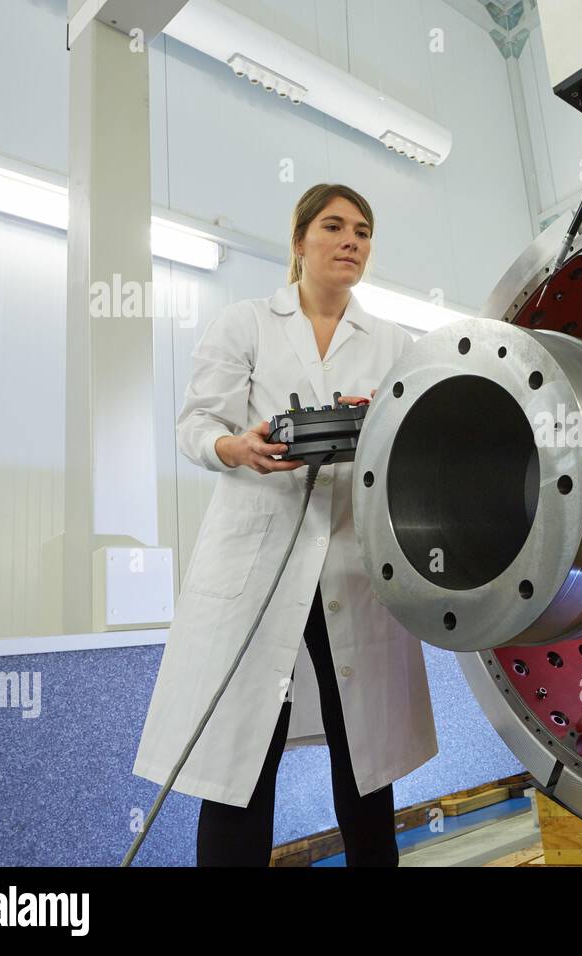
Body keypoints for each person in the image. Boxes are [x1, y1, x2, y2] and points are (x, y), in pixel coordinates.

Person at [132, 183, 438, 866]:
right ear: (299, 240)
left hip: (356, 565)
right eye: (333, 226)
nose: (351, 240)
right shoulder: (245, 324)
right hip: (259, 559)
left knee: (365, 758)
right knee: (245, 753)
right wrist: (235, 448)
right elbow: (195, 426)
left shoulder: (391, 342)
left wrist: (380, 425)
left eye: (362, 230)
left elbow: (419, 442)